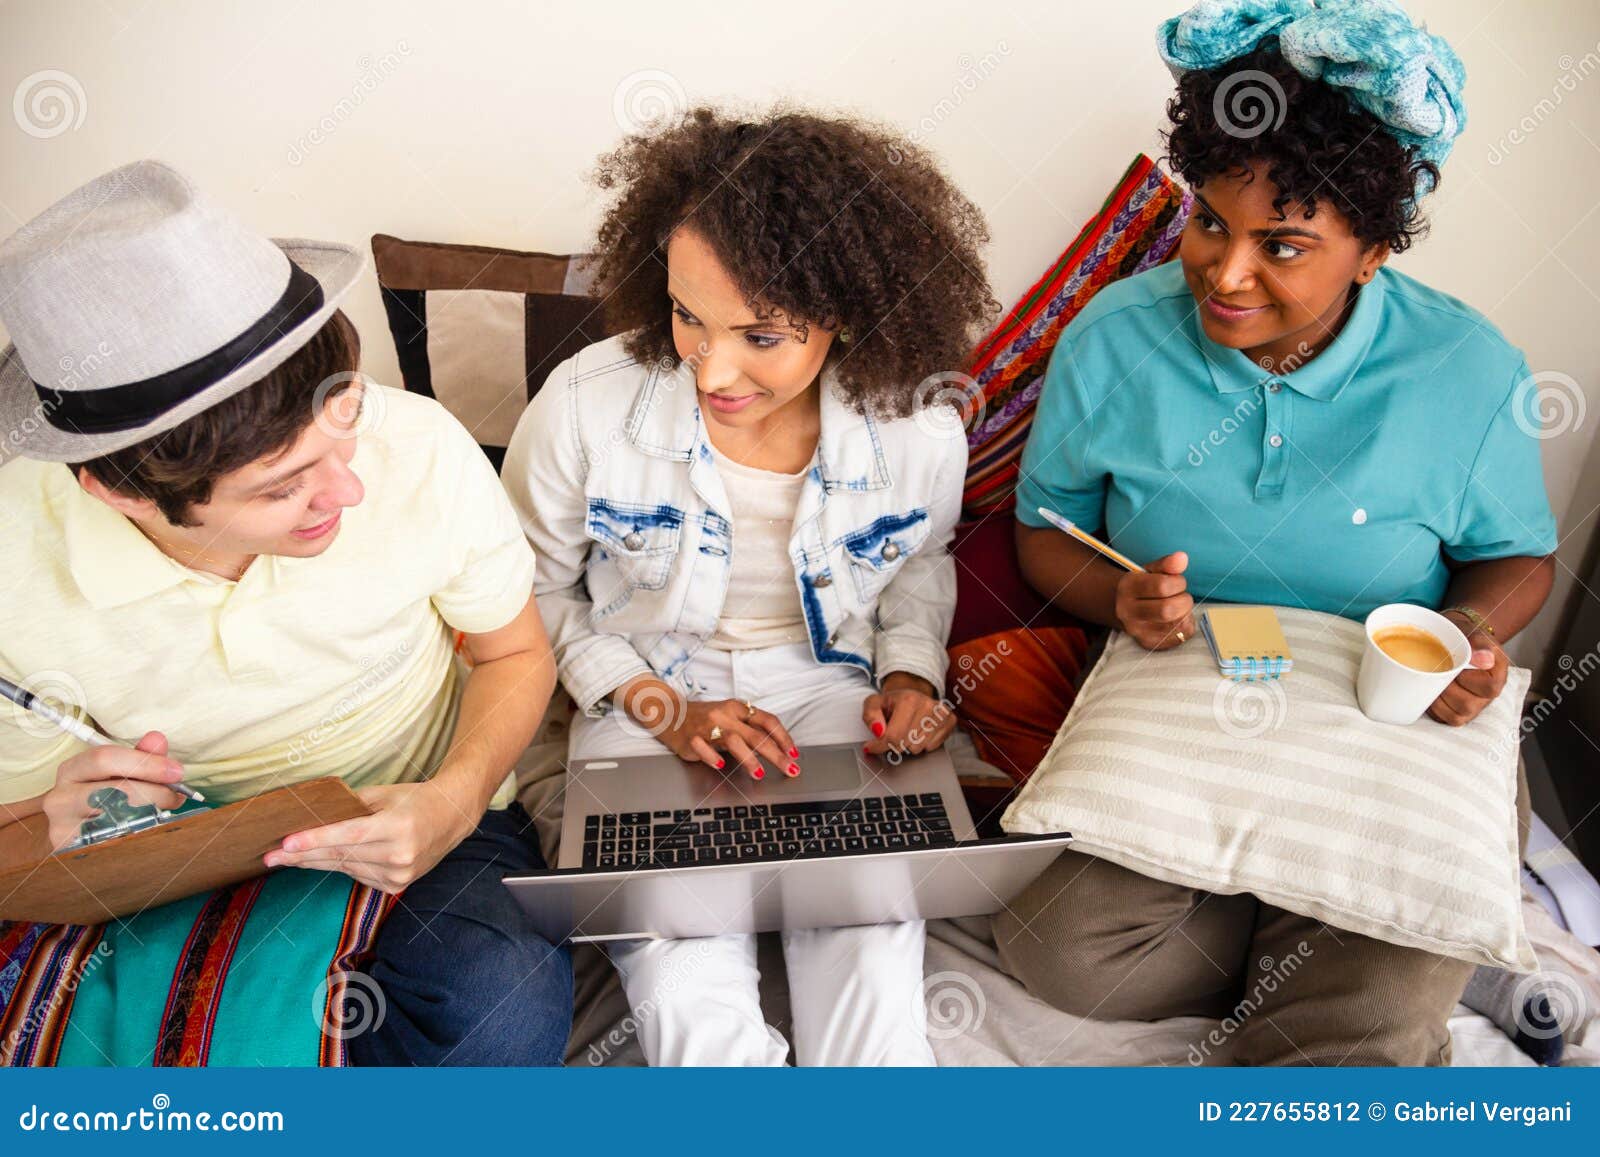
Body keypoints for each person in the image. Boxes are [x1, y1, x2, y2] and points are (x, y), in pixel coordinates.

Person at [997, 0, 1556, 1065]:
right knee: (1053, 947)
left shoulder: (1467, 368)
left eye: (1282, 244)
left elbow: (1518, 553)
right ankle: (1326, 931)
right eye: (1210, 222)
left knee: (1372, 1028)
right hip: (1193, 701)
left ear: (1371, 252)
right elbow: (1044, 532)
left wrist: (1465, 633)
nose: (1226, 272)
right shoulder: (1112, 340)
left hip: (1386, 718)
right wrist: (1112, 596)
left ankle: (1373, 952)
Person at [0, 161, 572, 1066]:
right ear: (119, 490)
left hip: (430, 807)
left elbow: (514, 656)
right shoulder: (13, 568)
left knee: (499, 1012)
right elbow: (25, 837)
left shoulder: (414, 444)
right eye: (282, 487)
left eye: (340, 419)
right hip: (186, 849)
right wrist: (54, 816)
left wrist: (452, 803)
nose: (346, 486)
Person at [503, 107, 997, 1065]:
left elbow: (921, 566)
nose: (710, 365)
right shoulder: (581, 405)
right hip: (650, 688)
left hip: (829, 689)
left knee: (869, 938)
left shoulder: (921, 427)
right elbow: (530, 591)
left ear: (846, 313)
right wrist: (665, 706)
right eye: (689, 314)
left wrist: (911, 680)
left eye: (760, 336)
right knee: (678, 963)